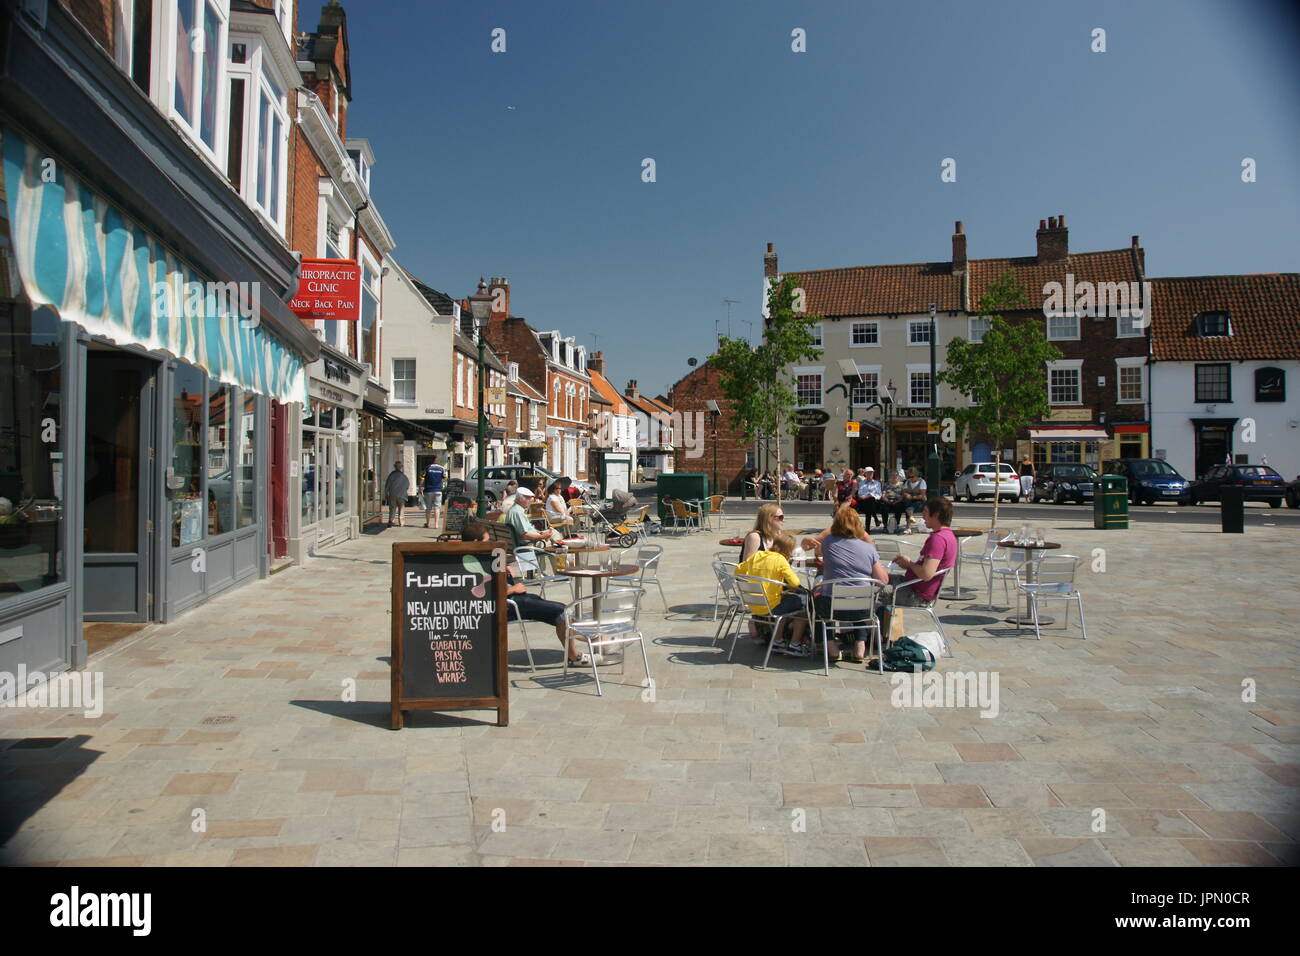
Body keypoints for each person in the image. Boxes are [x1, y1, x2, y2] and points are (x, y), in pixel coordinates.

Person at [461, 520, 586, 666]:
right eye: (487, 541)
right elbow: (483, 592)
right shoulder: (473, 562)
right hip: (510, 604)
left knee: (561, 612)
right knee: (563, 612)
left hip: (515, 600)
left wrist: (504, 572)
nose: (490, 544)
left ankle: (592, 639)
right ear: (477, 542)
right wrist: (512, 588)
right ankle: (575, 656)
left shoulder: (471, 557)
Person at [803, 507, 889, 662]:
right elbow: (883, 580)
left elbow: (819, 554)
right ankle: (860, 645)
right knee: (860, 595)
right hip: (862, 609)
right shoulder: (868, 548)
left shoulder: (829, 542)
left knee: (813, 601)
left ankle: (831, 647)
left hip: (832, 607)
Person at [877, 496, 958, 651]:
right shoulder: (948, 536)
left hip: (917, 593)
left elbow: (927, 574)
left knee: (872, 592)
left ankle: (865, 639)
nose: (923, 516)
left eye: (926, 512)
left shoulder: (938, 539)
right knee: (878, 578)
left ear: (937, 515)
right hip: (913, 585)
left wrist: (909, 564)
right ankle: (880, 636)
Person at [736, 531, 810, 656]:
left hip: (753, 604)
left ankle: (778, 640)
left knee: (786, 602)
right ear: (788, 551)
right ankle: (795, 644)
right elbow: (795, 582)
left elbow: (738, 571)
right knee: (804, 604)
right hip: (771, 606)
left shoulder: (757, 555)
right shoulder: (781, 560)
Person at [421, 455, 446, 529]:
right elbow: (444, 479)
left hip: (428, 490)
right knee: (437, 507)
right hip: (438, 490)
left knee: (428, 508)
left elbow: (422, 478)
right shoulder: (442, 468)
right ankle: (436, 524)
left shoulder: (427, 468)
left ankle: (428, 523)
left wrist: (420, 487)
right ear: (438, 461)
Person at [900, 468, 928, 533]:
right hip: (910, 500)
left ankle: (908, 526)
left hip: (920, 501)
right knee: (907, 501)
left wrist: (912, 497)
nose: (910, 478)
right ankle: (911, 516)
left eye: (912, 477)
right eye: (909, 477)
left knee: (909, 506)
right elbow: (904, 492)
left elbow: (922, 495)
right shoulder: (907, 482)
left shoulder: (922, 482)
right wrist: (906, 494)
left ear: (916, 475)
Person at [383, 461, 410, 526]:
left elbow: (387, 485)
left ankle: (391, 520)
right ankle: (401, 522)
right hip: (402, 495)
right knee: (401, 508)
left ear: (394, 467)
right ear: (401, 467)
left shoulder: (391, 475)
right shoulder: (404, 476)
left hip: (393, 494)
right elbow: (407, 485)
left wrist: (386, 493)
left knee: (392, 508)